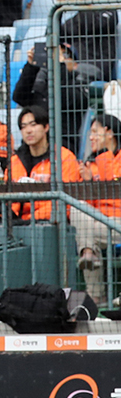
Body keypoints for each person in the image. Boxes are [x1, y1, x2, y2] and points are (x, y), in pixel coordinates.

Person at [72, 113, 121, 303]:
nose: (91, 137)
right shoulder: (91, 164)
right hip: (102, 223)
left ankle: (95, 295)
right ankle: (88, 253)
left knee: (87, 235)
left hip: (117, 222)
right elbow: (88, 206)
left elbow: (114, 191)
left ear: (109, 132)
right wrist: (88, 185)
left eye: (95, 132)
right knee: (78, 207)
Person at [10, 106, 82, 223]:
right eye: (23, 126)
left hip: (51, 223)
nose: (28, 130)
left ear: (46, 127)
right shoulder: (15, 161)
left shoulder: (64, 157)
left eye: (33, 125)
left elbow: (65, 200)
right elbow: (8, 200)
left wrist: (29, 219)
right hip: (17, 223)